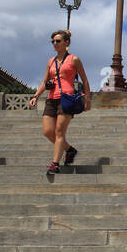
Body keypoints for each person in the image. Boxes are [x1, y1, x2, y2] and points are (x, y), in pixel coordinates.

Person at [29, 29, 92, 174]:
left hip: (67, 98)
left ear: (66, 42)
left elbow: (85, 80)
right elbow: (45, 81)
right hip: (51, 99)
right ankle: (69, 150)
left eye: (58, 41)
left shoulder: (74, 59)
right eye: (53, 42)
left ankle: (55, 164)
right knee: (47, 131)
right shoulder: (51, 61)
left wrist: (87, 100)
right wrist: (35, 96)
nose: (55, 44)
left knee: (59, 131)